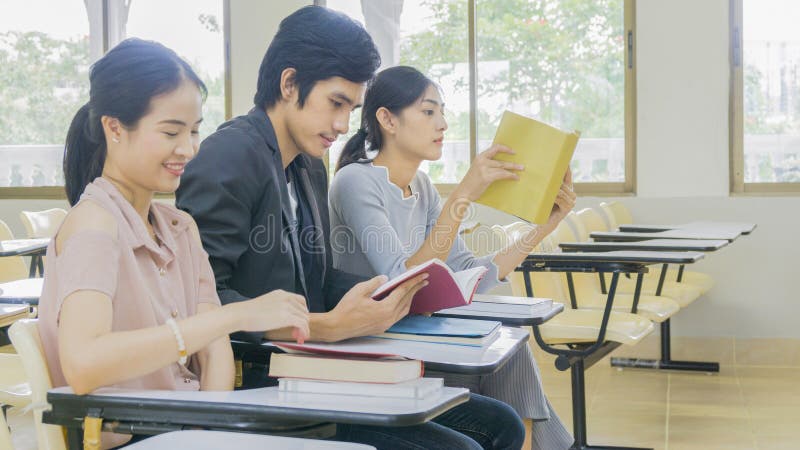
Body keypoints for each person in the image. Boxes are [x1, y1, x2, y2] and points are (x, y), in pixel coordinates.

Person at [176, 6, 524, 450]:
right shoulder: (229, 157)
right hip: (264, 381)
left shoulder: (306, 164)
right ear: (289, 84)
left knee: (501, 425)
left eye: (350, 108)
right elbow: (203, 300)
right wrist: (323, 327)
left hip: (316, 368)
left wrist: (390, 294)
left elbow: (316, 280)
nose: (342, 125)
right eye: (335, 103)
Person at [38, 38, 312, 449]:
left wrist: (208, 432)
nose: (188, 149)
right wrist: (234, 315)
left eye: (195, 130)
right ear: (114, 127)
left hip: (187, 431)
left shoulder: (180, 227)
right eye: (170, 132)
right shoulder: (94, 224)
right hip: (131, 439)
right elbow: (83, 363)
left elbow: (215, 351)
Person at [330, 66, 577, 450]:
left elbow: (467, 271)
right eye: (429, 112)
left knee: (511, 347)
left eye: (442, 112)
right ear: (387, 119)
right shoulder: (355, 181)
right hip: (377, 344)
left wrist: (542, 227)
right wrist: (463, 195)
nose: (442, 123)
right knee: (502, 358)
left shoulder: (423, 187)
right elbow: (401, 280)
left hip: (419, 335)